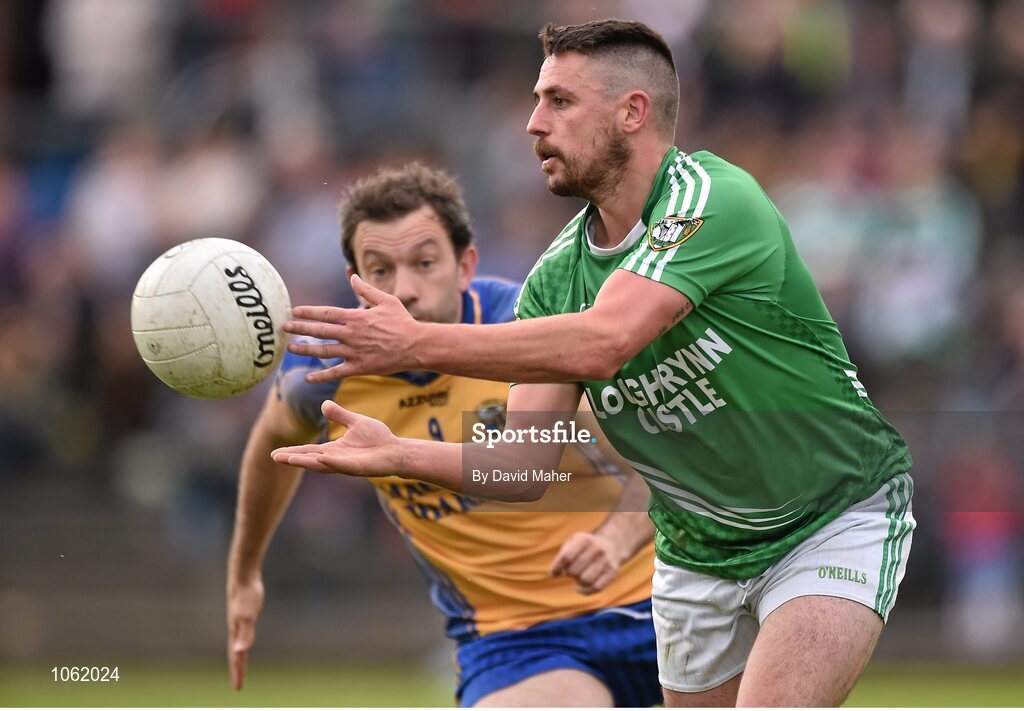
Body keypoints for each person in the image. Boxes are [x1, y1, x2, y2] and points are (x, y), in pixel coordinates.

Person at [274, 19, 916, 707]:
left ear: (632, 112)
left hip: (830, 516)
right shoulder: (555, 279)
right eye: (536, 101)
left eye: (560, 101)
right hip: (697, 554)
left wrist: (414, 344)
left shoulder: (712, 200)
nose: (533, 123)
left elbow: (604, 342)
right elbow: (523, 467)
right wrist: (400, 452)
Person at [227, 162, 662, 707]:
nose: (403, 290)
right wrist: (245, 571)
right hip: (515, 641)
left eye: (425, 263)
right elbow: (272, 447)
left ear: (465, 266)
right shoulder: (324, 372)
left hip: (654, 600)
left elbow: (671, 463)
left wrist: (614, 540)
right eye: (379, 270)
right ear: (355, 280)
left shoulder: (532, 329)